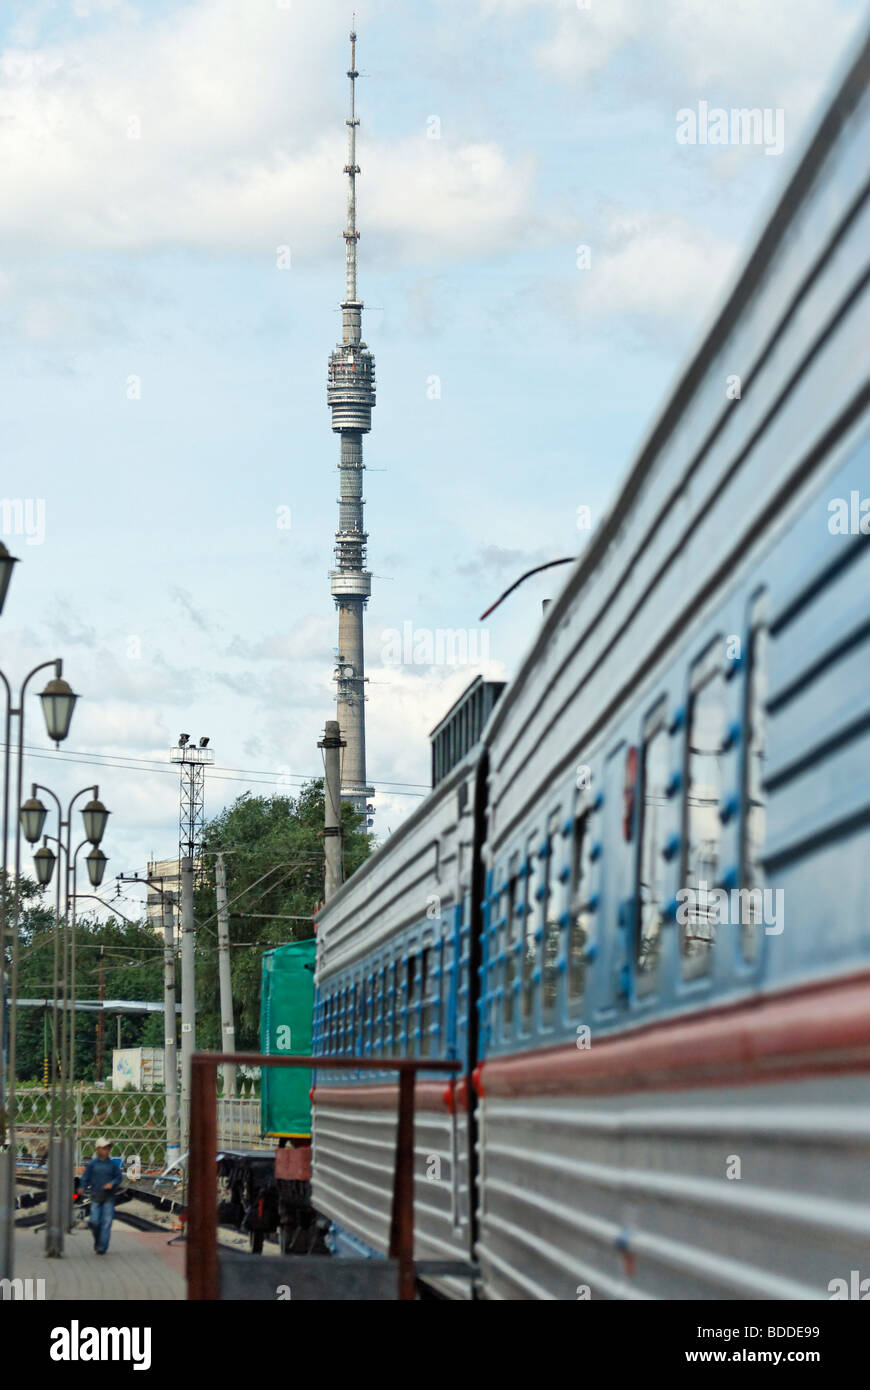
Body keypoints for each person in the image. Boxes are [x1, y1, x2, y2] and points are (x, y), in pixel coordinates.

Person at [80, 1138, 123, 1254]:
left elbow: (118, 1178)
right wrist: (82, 1187)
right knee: (94, 1221)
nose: (106, 1151)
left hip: (109, 1198)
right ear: (97, 1149)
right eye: (104, 1148)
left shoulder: (113, 1165)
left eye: (108, 1148)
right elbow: (85, 1178)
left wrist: (112, 1184)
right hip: (95, 1197)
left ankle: (102, 1247)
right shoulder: (92, 1165)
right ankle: (98, 1240)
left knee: (107, 1222)